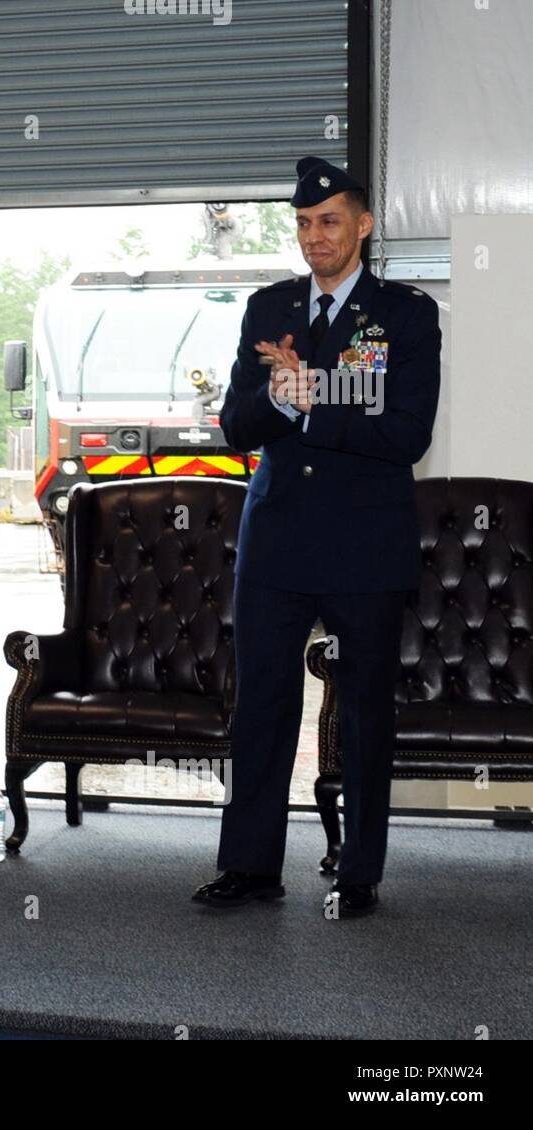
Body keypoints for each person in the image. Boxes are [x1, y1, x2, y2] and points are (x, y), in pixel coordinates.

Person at [192, 157, 441, 918]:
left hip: (366, 545)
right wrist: (274, 395)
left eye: (329, 221)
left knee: (366, 714)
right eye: (303, 223)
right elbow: (235, 427)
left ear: (363, 225)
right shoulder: (268, 308)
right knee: (262, 708)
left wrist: (311, 405)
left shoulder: (404, 314)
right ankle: (250, 866)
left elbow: (407, 435)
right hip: (277, 542)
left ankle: (359, 872)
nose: (314, 237)